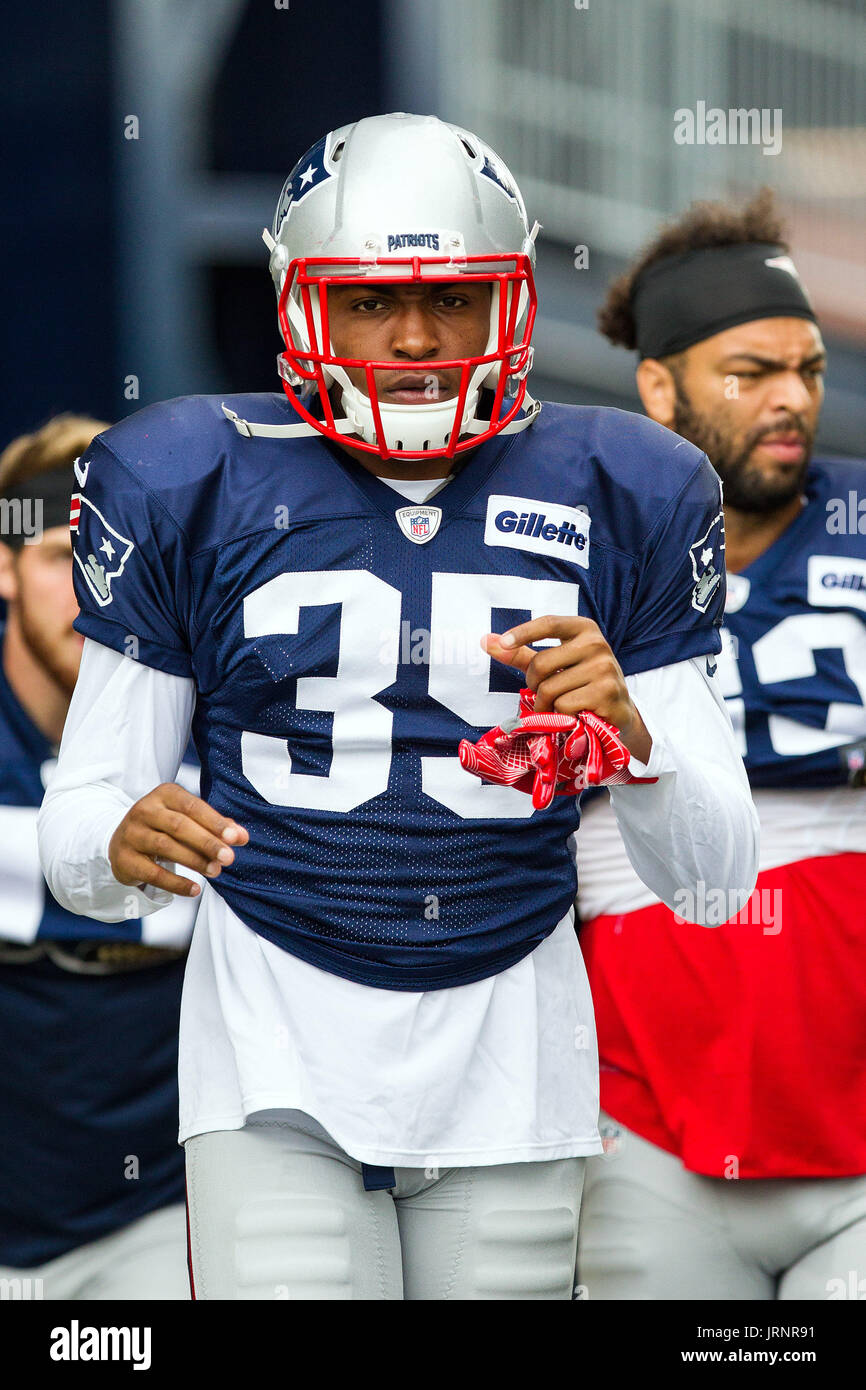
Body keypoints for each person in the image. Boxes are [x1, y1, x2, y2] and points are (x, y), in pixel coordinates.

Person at [38, 113, 758, 1301]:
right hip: (271, 1051)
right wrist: (119, 843)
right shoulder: (186, 477)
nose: (416, 339)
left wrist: (636, 737)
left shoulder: (627, 484)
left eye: (454, 299)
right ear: (300, 302)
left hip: (512, 1054)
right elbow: (79, 849)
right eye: (370, 300)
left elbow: (712, 879)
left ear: (513, 301)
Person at [576, 189, 866, 1300]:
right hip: (642, 1122)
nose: (790, 399)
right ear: (658, 386)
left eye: (806, 369)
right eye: (748, 373)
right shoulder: (561, 544)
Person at [0, 416, 200, 1300]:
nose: (94, 595)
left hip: (152, 1217)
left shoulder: (231, 735)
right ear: (1, 566)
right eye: (56, 557)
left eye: (121, 563)